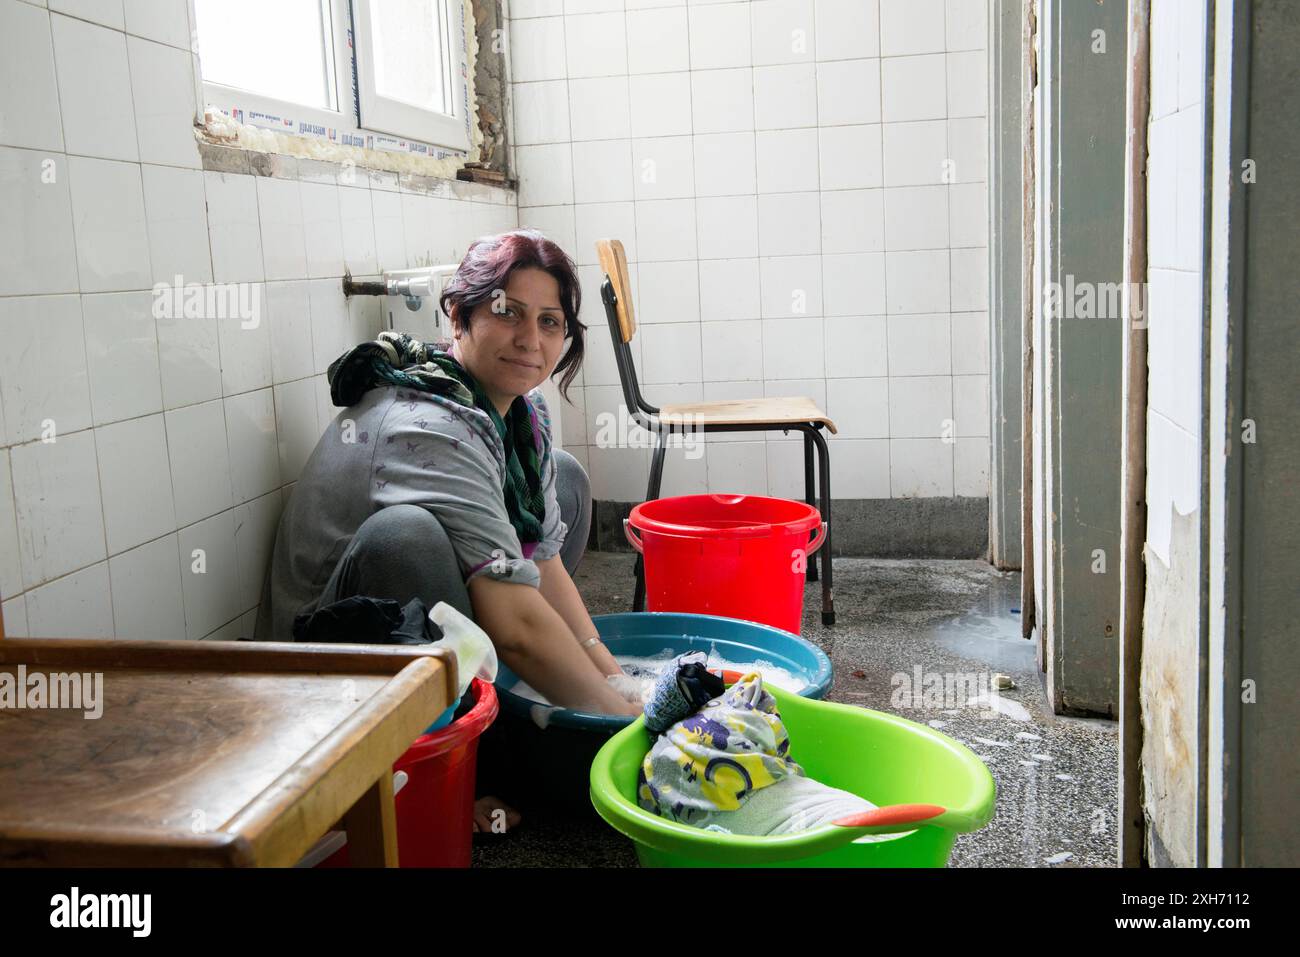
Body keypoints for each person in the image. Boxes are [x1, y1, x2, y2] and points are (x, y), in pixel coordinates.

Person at [254, 229, 643, 833]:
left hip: (441, 633)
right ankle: (461, 770)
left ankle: (502, 712)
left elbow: (540, 561)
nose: (530, 341)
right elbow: (513, 627)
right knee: (405, 536)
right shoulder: (426, 424)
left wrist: (612, 675)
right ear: (458, 316)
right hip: (327, 667)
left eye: (550, 322)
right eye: (506, 313)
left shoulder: (520, 410)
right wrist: (627, 734)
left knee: (563, 479)